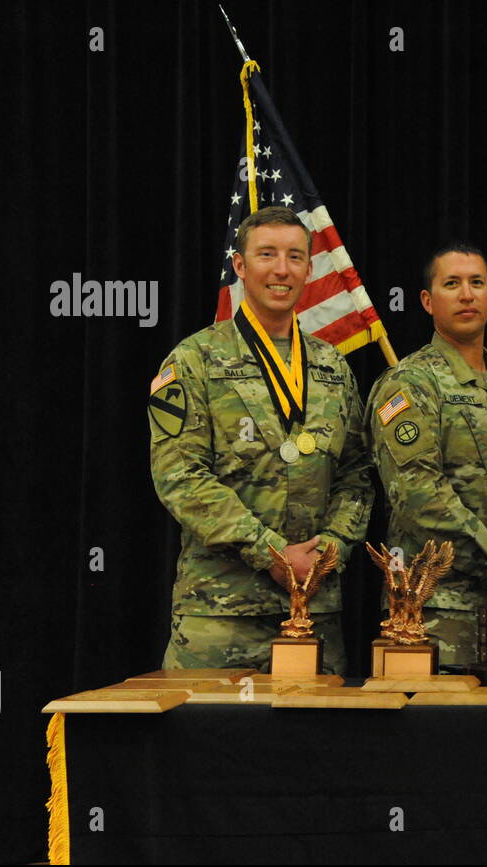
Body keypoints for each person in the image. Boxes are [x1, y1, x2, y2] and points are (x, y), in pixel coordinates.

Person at [148, 206, 372, 673]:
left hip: (315, 614)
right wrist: (269, 552)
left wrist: (329, 550)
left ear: (310, 270)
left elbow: (357, 476)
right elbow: (180, 476)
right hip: (220, 613)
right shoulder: (194, 360)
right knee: (205, 746)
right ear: (240, 266)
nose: (281, 269)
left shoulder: (333, 367)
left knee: (317, 747)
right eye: (266, 254)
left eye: (294, 256)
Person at [365, 243, 487, 665]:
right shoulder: (408, 385)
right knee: (444, 728)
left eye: (476, 283)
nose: (466, 294)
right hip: (436, 612)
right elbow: (417, 494)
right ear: (428, 301)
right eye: (452, 284)